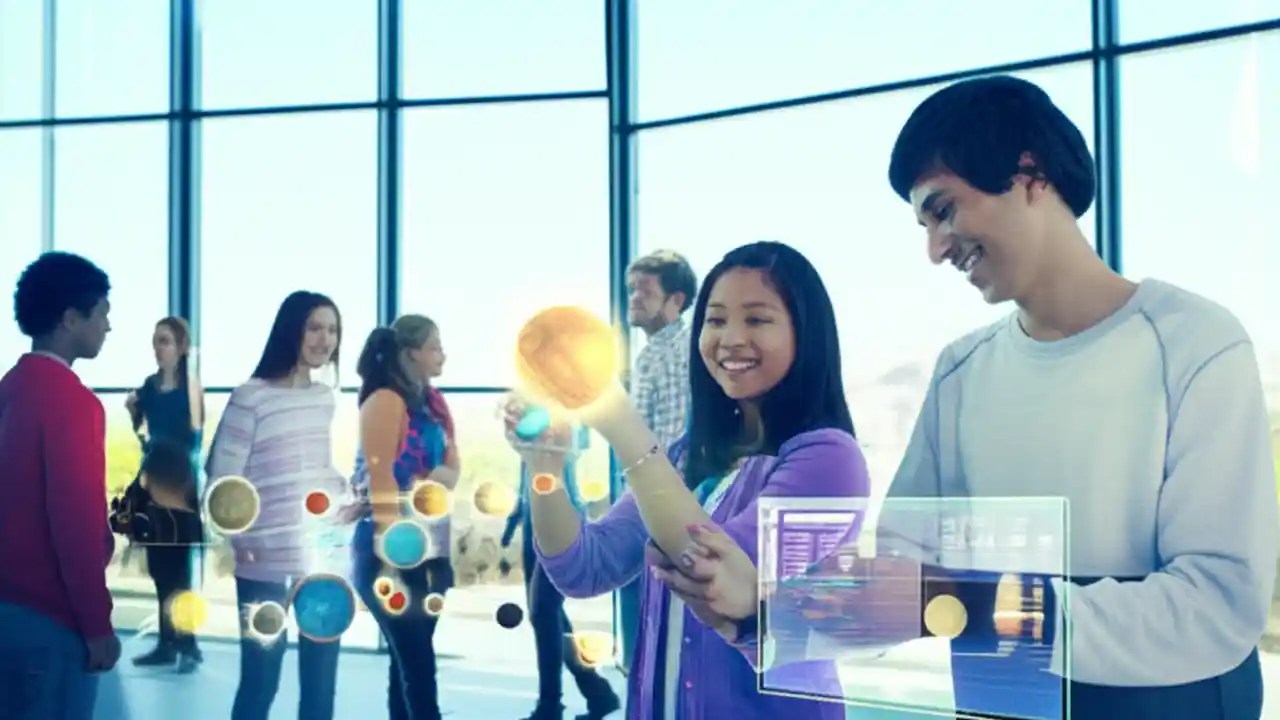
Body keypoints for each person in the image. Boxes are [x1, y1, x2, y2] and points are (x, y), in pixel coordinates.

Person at [676, 76, 1280, 720]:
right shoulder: (962, 370)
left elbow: (1217, 605)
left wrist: (970, 602)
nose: (936, 249)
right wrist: (762, 611)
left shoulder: (1193, 343)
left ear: (1029, 173)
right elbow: (904, 573)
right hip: (1004, 699)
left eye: (944, 210)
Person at [506, 241, 870, 720]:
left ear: (806, 334)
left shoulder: (829, 461)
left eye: (756, 319)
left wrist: (618, 420)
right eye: (716, 320)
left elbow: (710, 568)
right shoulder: (683, 456)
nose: (730, 338)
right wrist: (545, 466)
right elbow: (583, 568)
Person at [207, 290, 347, 720]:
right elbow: (221, 481)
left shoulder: (325, 398)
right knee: (260, 680)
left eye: (333, 330)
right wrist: (238, 540)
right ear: (292, 330)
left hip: (320, 559)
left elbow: (314, 469)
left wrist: (347, 497)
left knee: (321, 689)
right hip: (263, 562)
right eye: (315, 328)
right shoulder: (251, 396)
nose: (325, 339)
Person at [0, 251, 119, 719]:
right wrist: (97, 625)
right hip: (51, 621)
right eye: (103, 313)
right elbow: (76, 527)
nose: (108, 326)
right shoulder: (74, 403)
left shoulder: (9, 390)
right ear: (72, 319)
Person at [348, 315, 459, 720]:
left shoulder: (435, 403)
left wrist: (420, 480)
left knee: (407, 662)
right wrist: (394, 556)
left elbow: (453, 472)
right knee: (417, 664)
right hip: (389, 554)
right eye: (434, 346)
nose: (442, 354)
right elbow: (380, 480)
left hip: (431, 549)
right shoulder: (385, 400)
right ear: (411, 353)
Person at [501, 423, 621, 720]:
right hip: (533, 514)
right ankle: (597, 693)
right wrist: (517, 512)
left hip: (561, 515)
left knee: (543, 611)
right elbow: (528, 465)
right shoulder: (530, 405)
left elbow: (570, 452)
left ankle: (551, 705)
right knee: (549, 615)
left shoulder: (563, 408)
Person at [618, 249, 698, 674]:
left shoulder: (681, 350)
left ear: (676, 300)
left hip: (665, 502)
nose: (633, 298)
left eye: (645, 291)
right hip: (653, 499)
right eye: (632, 290)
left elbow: (672, 439)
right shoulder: (651, 355)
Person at [126, 316, 206, 671]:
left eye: (166, 341)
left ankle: (188, 645)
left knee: (181, 574)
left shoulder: (192, 388)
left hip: (181, 487)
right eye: (156, 341)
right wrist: (134, 415)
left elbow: (194, 440)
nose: (158, 348)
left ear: (181, 347)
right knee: (160, 569)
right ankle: (166, 643)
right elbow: (143, 435)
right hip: (155, 484)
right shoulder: (146, 387)